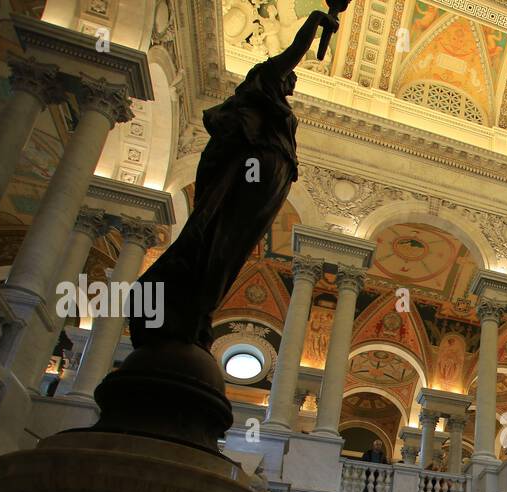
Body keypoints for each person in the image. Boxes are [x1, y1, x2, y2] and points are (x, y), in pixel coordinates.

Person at [128, 5, 346, 350]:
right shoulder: (267, 78)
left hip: (265, 184)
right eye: (290, 78)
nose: (292, 82)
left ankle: (200, 312)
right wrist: (317, 20)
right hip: (248, 172)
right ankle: (169, 302)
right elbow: (294, 53)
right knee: (216, 236)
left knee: (231, 250)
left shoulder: (277, 103)